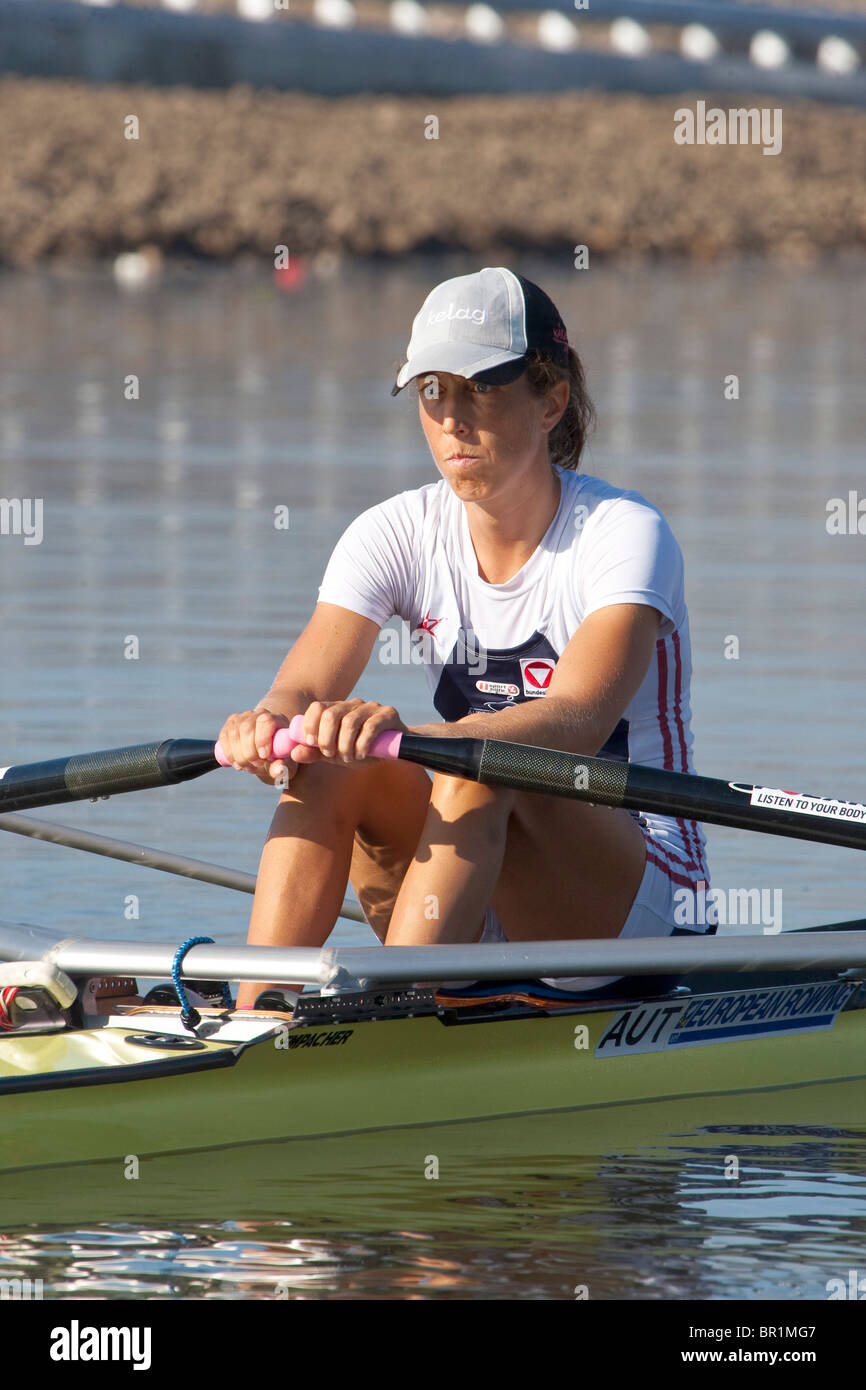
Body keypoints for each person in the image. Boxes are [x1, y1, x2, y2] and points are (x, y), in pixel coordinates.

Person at [218, 266, 711, 1009]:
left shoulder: (623, 536)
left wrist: (410, 735)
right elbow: (304, 688)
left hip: (636, 912)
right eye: (432, 390)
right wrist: (270, 723)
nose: (451, 418)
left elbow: (576, 720)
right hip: (476, 877)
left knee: (486, 762)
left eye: (480, 387)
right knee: (325, 763)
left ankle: (392, 1020)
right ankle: (253, 1017)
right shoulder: (392, 532)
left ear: (552, 400)